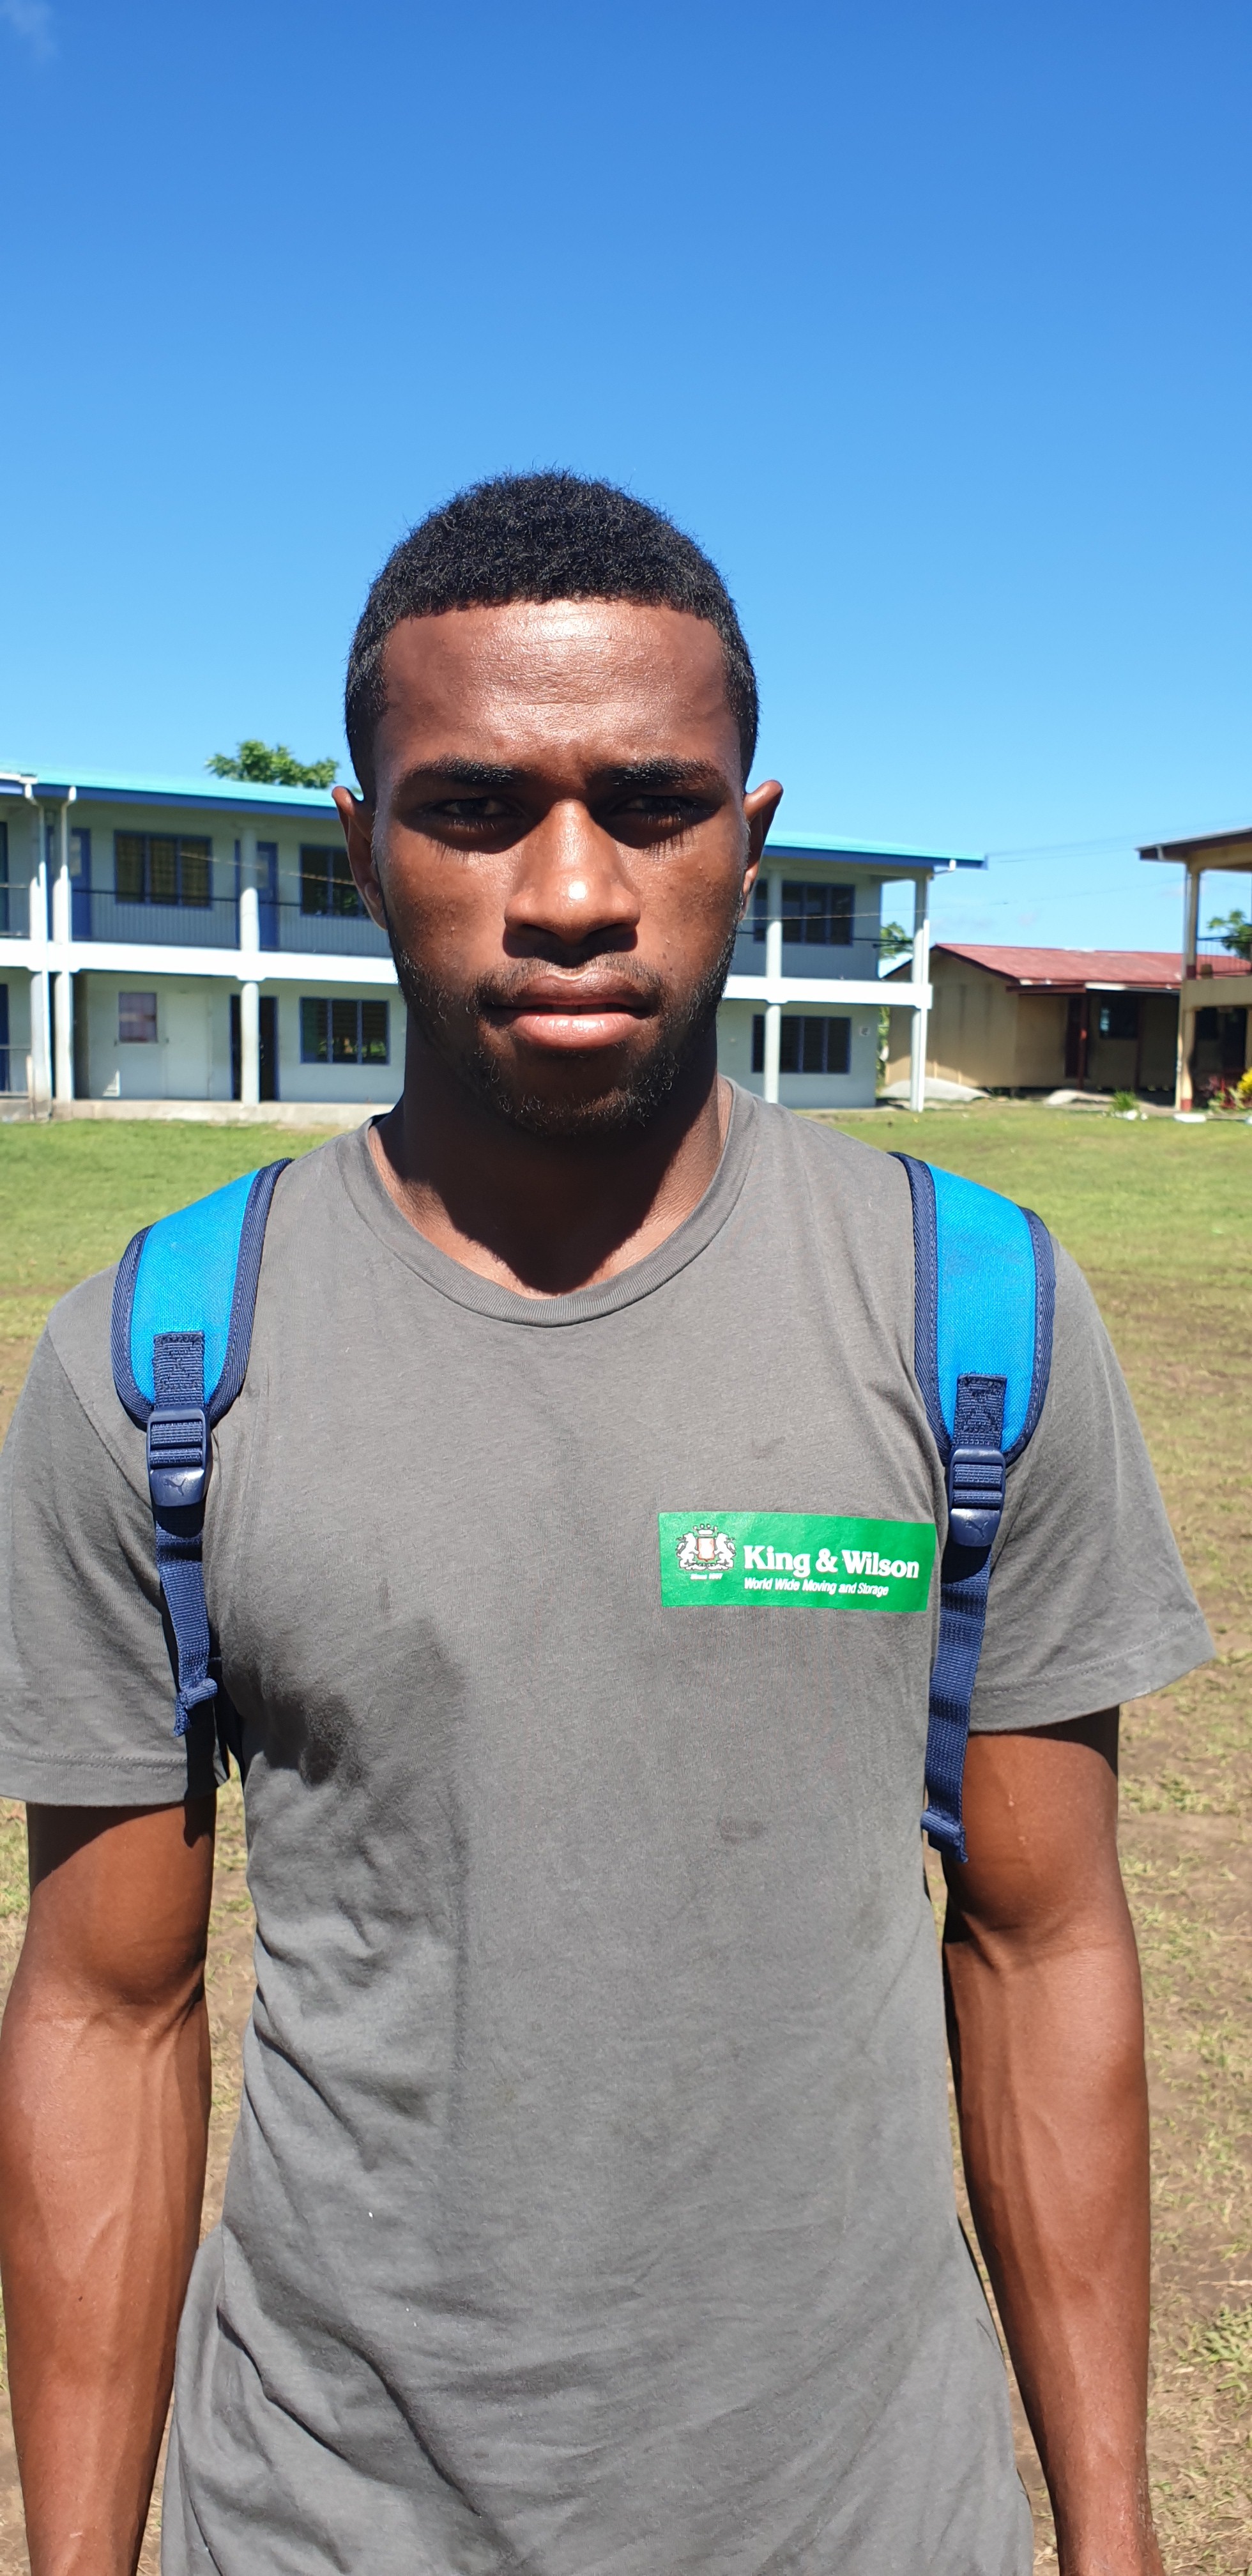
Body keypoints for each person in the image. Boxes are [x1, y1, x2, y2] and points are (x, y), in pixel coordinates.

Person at [0, 473, 1210, 2576]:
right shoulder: (162, 1357)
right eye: (474, 810)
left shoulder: (974, 1318)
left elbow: (1042, 1941)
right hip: (321, 2523)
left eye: (651, 804)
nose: (571, 890)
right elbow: (108, 2013)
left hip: (864, 2520)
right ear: (362, 845)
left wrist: (1111, 2540)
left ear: (749, 835)